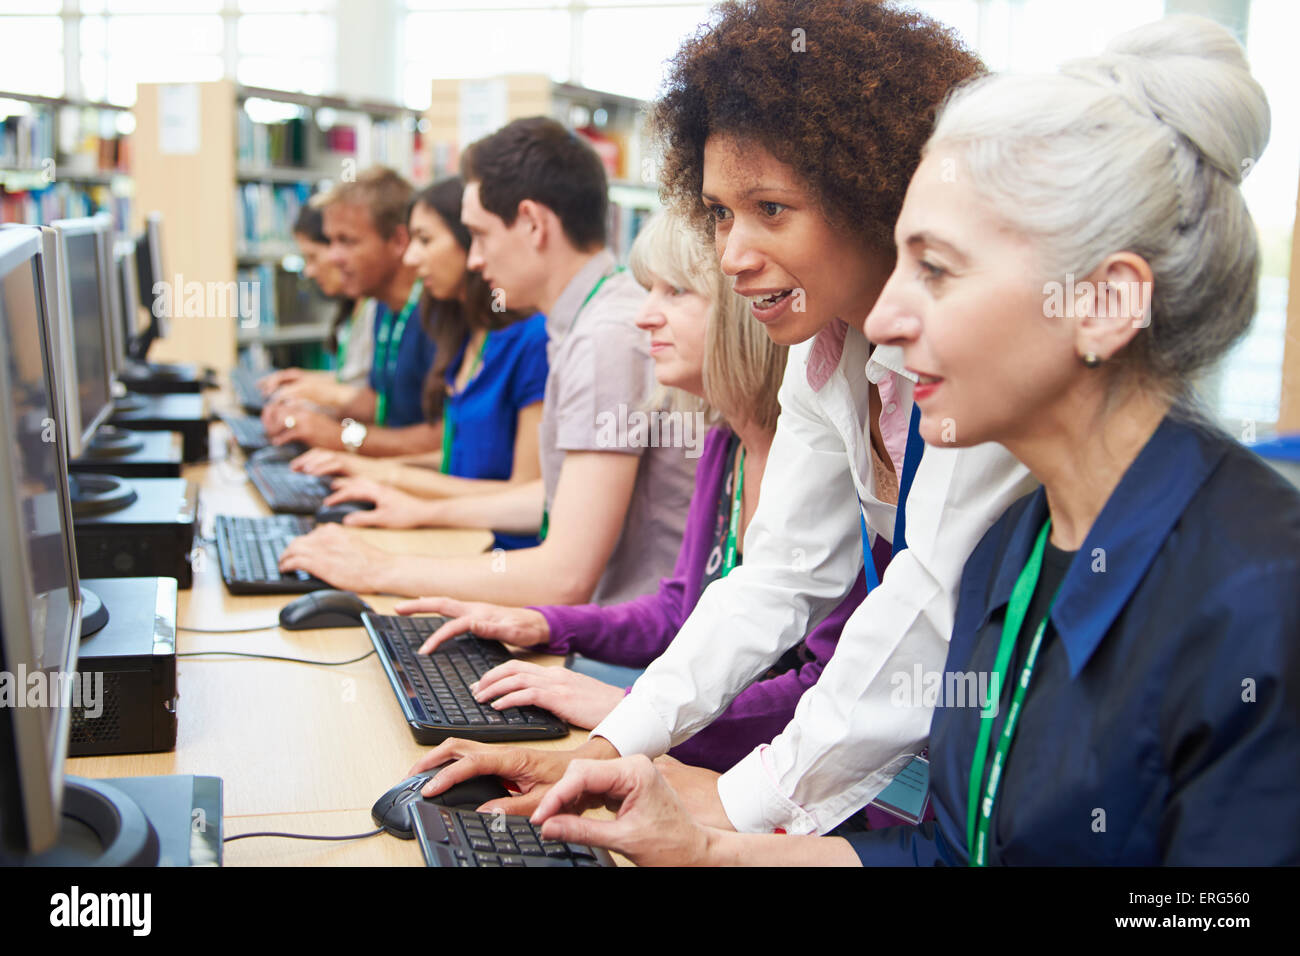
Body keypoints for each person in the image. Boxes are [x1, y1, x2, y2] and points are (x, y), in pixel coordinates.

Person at [522, 14, 1300, 866]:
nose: (885, 322)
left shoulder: (1259, 597)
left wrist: (738, 808)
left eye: (934, 268)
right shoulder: (1016, 549)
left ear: (1104, 304)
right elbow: (954, 847)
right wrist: (699, 840)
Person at [409, 0, 1035, 833]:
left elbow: (924, 610)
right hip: (924, 759)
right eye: (720, 214)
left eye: (770, 209)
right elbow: (777, 580)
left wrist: (735, 806)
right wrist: (608, 747)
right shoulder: (825, 356)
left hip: (1014, 767)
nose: (733, 254)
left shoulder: (972, 362)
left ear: (872, 192)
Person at [394, 212, 871, 774]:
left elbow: (817, 695)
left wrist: (626, 710)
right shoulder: (724, 445)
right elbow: (680, 611)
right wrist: (544, 624)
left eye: (676, 292)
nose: (645, 317)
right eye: (649, 291)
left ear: (747, 307)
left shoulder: (833, 469)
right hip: (711, 758)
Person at [279, 118, 698, 606]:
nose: (476, 260)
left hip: (619, 645)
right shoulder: (583, 320)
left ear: (533, 223)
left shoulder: (605, 339)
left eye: (479, 235)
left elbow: (565, 578)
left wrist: (381, 567)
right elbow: (553, 498)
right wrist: (421, 509)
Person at [288, 177, 549, 550]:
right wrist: (368, 465)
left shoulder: (529, 340)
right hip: (454, 536)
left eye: (425, 241)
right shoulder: (459, 333)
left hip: (490, 550)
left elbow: (524, 493)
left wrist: (365, 457)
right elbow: (451, 454)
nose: (411, 258)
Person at [261, 166, 440, 456]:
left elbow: (441, 439)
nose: (334, 257)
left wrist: (342, 437)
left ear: (398, 241)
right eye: (331, 241)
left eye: (347, 241)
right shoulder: (384, 305)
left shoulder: (435, 315)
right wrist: (309, 417)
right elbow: (375, 402)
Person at [257, 197, 376, 406]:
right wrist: (308, 382)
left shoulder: (378, 308)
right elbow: (353, 381)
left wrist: (313, 392)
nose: (308, 271)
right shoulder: (353, 306)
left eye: (312, 257)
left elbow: (375, 402)